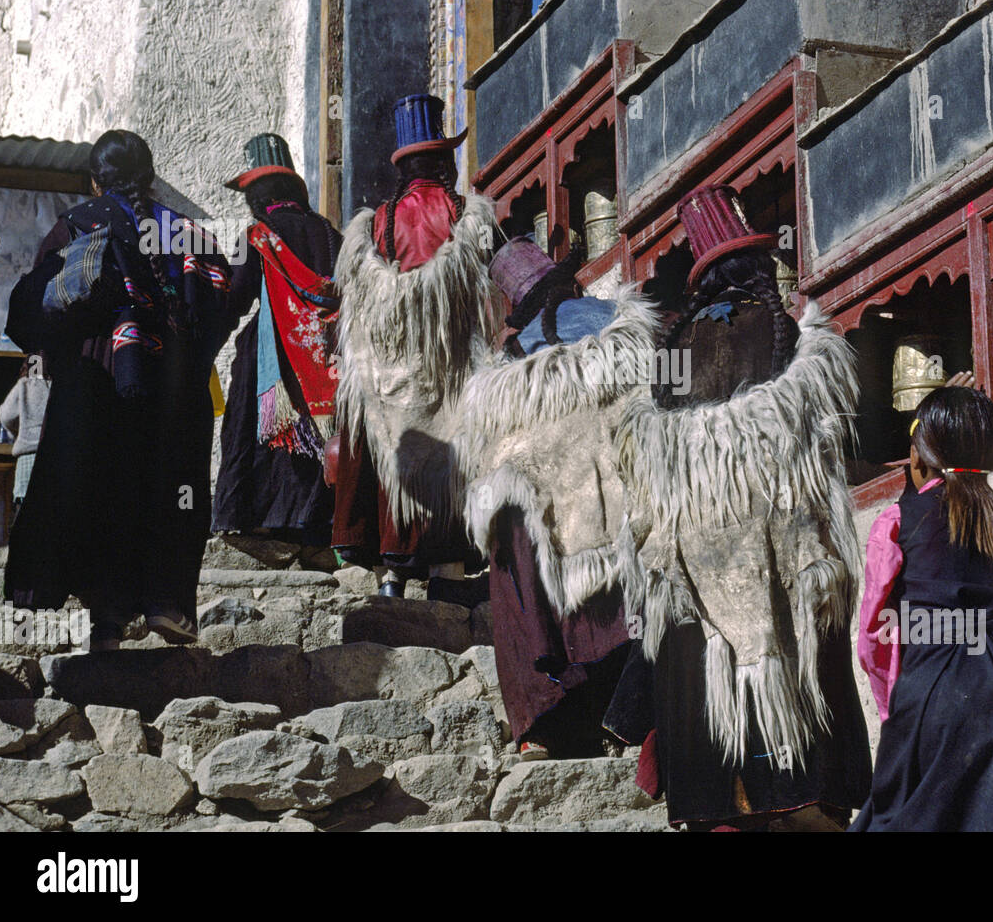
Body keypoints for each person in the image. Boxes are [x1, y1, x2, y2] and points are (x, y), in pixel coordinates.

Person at [616, 184, 872, 830]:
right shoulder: (788, 333)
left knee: (709, 711)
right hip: (787, 566)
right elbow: (827, 444)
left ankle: (722, 801)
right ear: (756, 266)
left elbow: (643, 481)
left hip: (695, 583)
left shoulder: (673, 351)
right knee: (801, 702)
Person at [4, 130, 231, 651]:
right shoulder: (187, 234)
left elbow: (42, 304)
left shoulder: (77, 225)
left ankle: (97, 636)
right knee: (159, 496)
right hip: (171, 395)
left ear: (94, 180)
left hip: (97, 384)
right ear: (149, 177)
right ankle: (156, 604)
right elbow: (227, 291)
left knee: (93, 494)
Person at [458, 237, 659, 758]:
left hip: (549, 525)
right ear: (569, 282)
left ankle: (542, 723)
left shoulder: (505, 369)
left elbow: (491, 466)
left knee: (509, 534)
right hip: (627, 505)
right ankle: (639, 707)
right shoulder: (623, 324)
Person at [852, 385, 993, 831]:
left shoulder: (897, 523)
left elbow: (876, 638)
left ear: (919, 458)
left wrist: (898, 708)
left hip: (934, 691)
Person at [332, 93, 496, 601]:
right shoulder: (465, 212)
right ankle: (447, 576)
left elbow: (359, 305)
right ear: (444, 161)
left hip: (393, 368)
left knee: (394, 450)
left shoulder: (378, 221)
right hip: (448, 365)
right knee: (448, 456)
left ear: (403, 165)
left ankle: (392, 577)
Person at [212, 133, 340, 543]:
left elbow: (233, 301)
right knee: (317, 432)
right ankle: (313, 521)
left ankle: (253, 520)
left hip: (271, 358)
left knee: (259, 430)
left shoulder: (258, 236)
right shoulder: (329, 233)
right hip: (323, 355)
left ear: (259, 196)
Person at [0, 356, 50, 517]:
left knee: (25, 515)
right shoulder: (61, 386)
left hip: (27, 458)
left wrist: (19, 431)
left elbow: (6, 415)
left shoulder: (24, 385)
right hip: (54, 457)